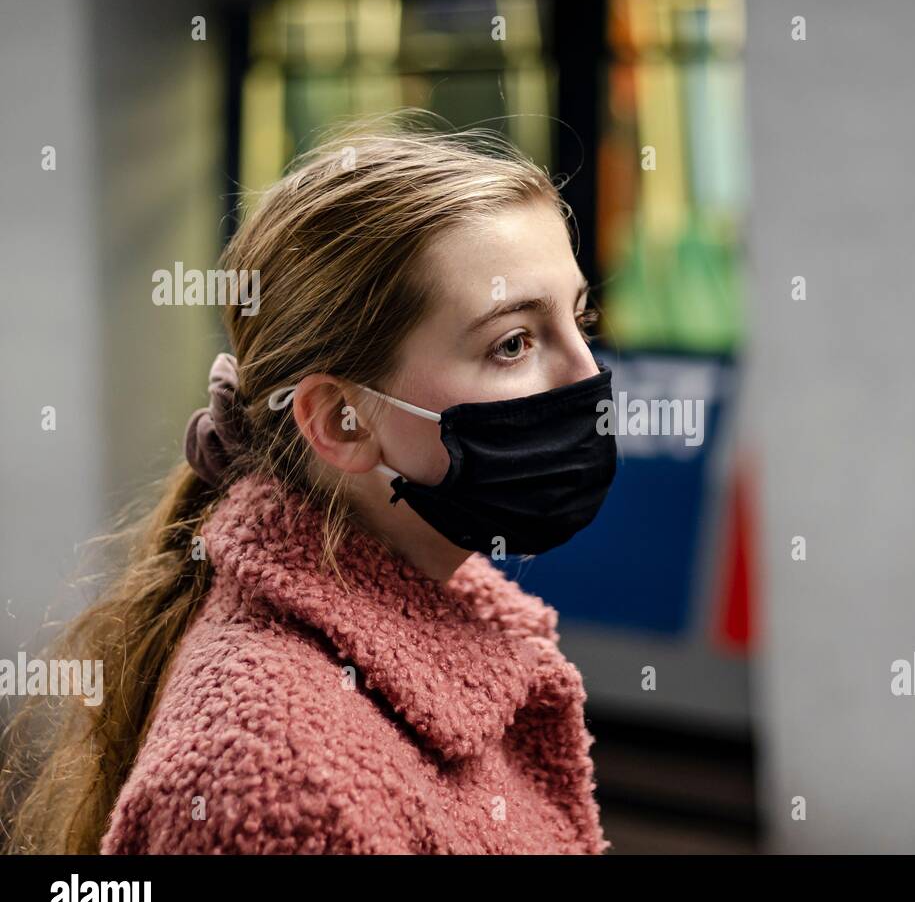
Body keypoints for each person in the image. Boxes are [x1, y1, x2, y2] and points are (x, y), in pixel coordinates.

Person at [0, 115, 618, 854]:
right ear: (342, 421)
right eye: (513, 343)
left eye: (580, 318)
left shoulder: (437, 630)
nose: (589, 376)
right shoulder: (267, 777)